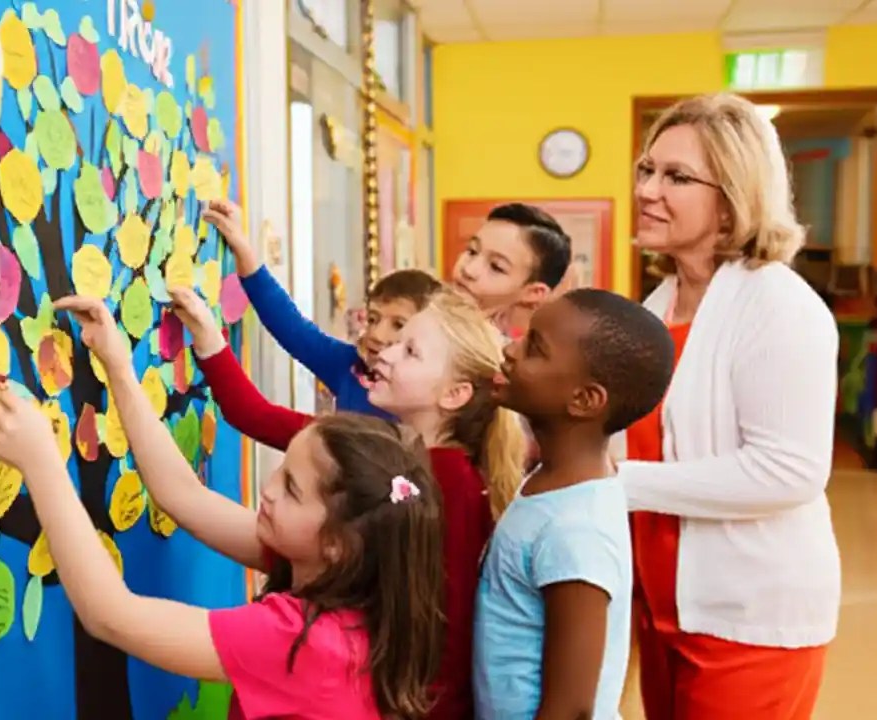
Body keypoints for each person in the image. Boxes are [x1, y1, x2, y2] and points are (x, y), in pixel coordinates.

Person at [0, 295, 446, 720]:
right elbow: (183, 494)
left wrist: (40, 460)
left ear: (338, 545)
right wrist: (119, 369)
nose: (268, 489)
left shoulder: (302, 639)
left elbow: (110, 615)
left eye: (292, 489)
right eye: (283, 472)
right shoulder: (344, 580)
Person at [171, 285, 525, 720]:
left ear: (454, 395)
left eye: (409, 350)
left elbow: (438, 641)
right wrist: (209, 340)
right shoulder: (403, 455)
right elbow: (258, 416)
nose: (386, 354)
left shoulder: (437, 481)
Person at [619, 93, 840, 719]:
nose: (648, 189)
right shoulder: (652, 313)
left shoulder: (779, 308)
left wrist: (618, 485)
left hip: (748, 621)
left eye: (677, 177)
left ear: (732, 200)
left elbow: (788, 471)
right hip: (662, 611)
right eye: (647, 169)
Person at [475, 288, 675, 720]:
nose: (510, 350)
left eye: (534, 349)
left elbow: (571, 709)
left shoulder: (575, 530)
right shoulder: (552, 482)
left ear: (585, 400)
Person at [205, 198, 441, 418]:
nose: (377, 334)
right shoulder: (350, 368)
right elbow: (293, 329)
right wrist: (244, 251)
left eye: (398, 325)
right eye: (373, 319)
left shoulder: (420, 416)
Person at [450, 202, 573, 337]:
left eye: (496, 267)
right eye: (472, 251)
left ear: (534, 293)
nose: (468, 269)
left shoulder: (501, 355)